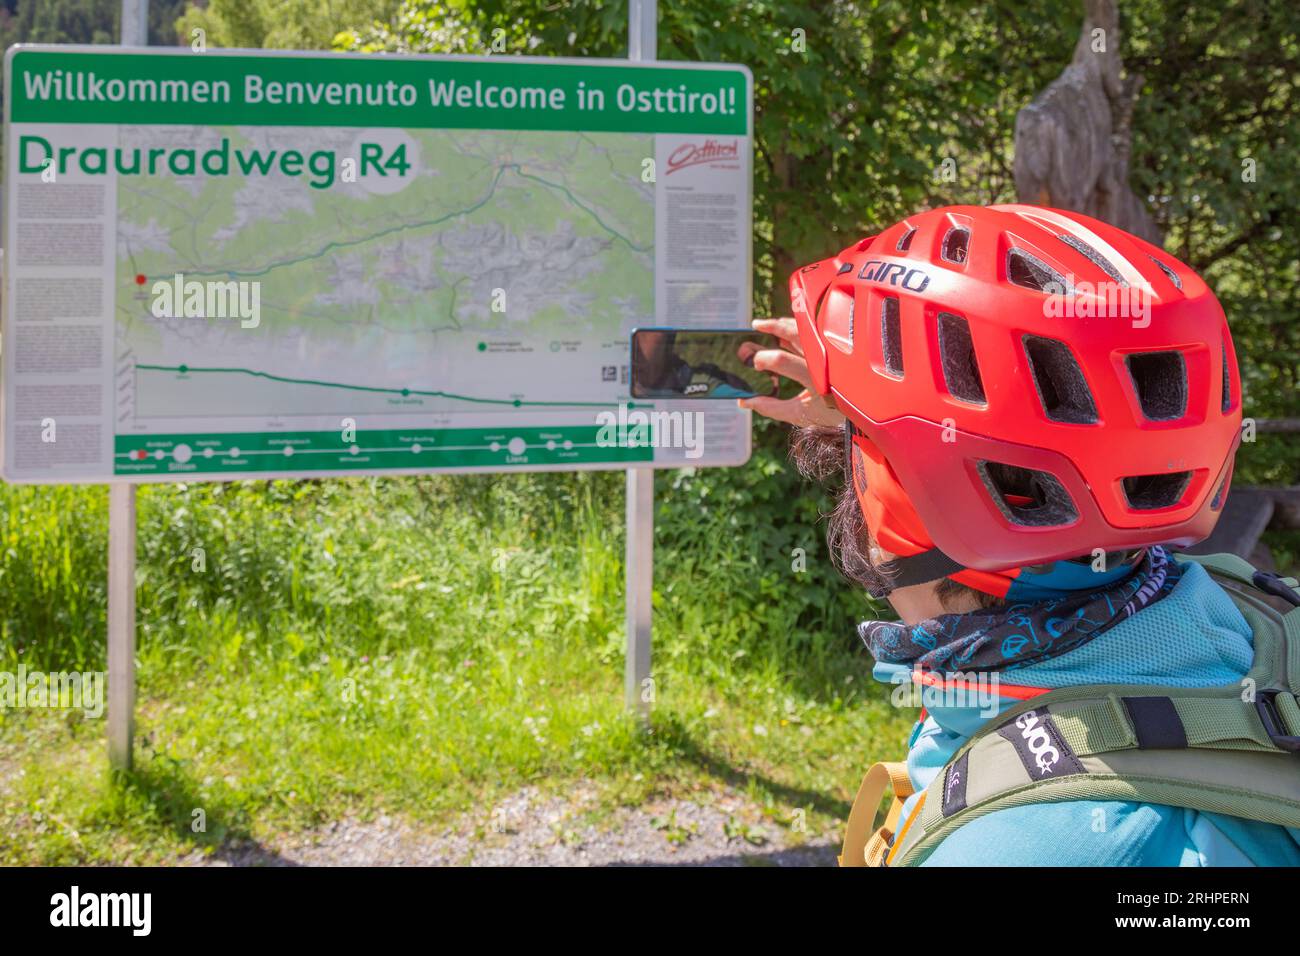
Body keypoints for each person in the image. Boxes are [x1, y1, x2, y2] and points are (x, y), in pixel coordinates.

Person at [740, 203, 1300, 866]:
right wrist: (875, 413)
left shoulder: (1014, 849)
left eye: (855, 440)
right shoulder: (1258, 619)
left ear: (903, 500)